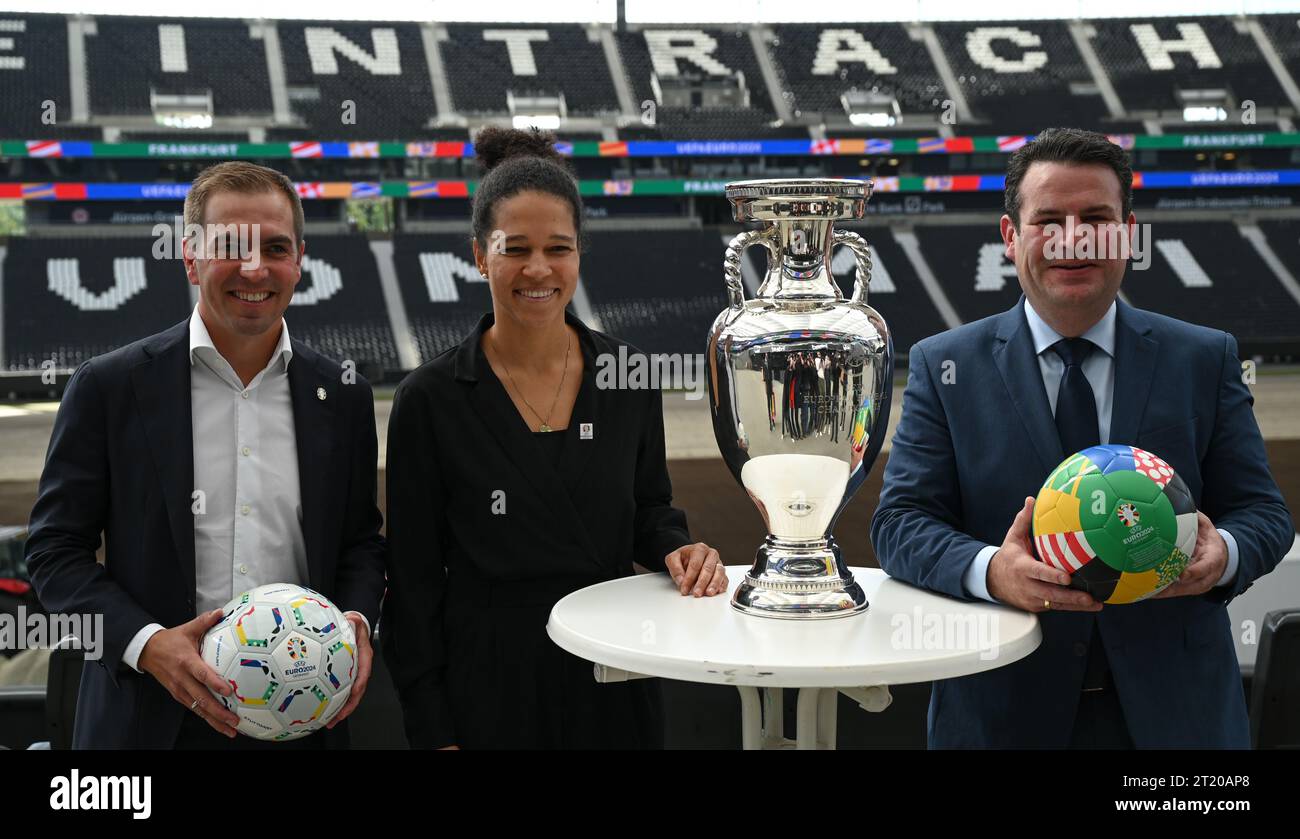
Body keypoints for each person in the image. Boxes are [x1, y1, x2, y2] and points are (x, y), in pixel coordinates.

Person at [870, 127, 1293, 748]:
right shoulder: (944, 365)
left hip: (1178, 722)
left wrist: (1220, 554)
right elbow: (900, 522)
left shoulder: (1203, 357)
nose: (1074, 240)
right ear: (1011, 238)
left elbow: (1264, 512)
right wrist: (994, 572)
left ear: (1128, 232)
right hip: (1001, 715)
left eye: (1096, 218)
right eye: (1049, 220)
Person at [382, 127, 727, 750]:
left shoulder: (629, 377)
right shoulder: (428, 400)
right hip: (488, 688)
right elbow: (412, 584)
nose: (538, 269)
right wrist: (433, 726)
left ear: (579, 254)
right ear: (479, 255)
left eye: (558, 248)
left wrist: (679, 547)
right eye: (515, 248)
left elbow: (648, 508)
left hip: (614, 668)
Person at [26, 161, 387, 749]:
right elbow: (53, 553)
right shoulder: (109, 387)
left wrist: (356, 623)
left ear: (300, 258)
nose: (254, 268)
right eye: (229, 246)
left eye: (275, 247)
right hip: (148, 719)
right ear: (190, 257)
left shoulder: (341, 393)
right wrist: (147, 644)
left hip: (302, 716)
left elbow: (360, 544)